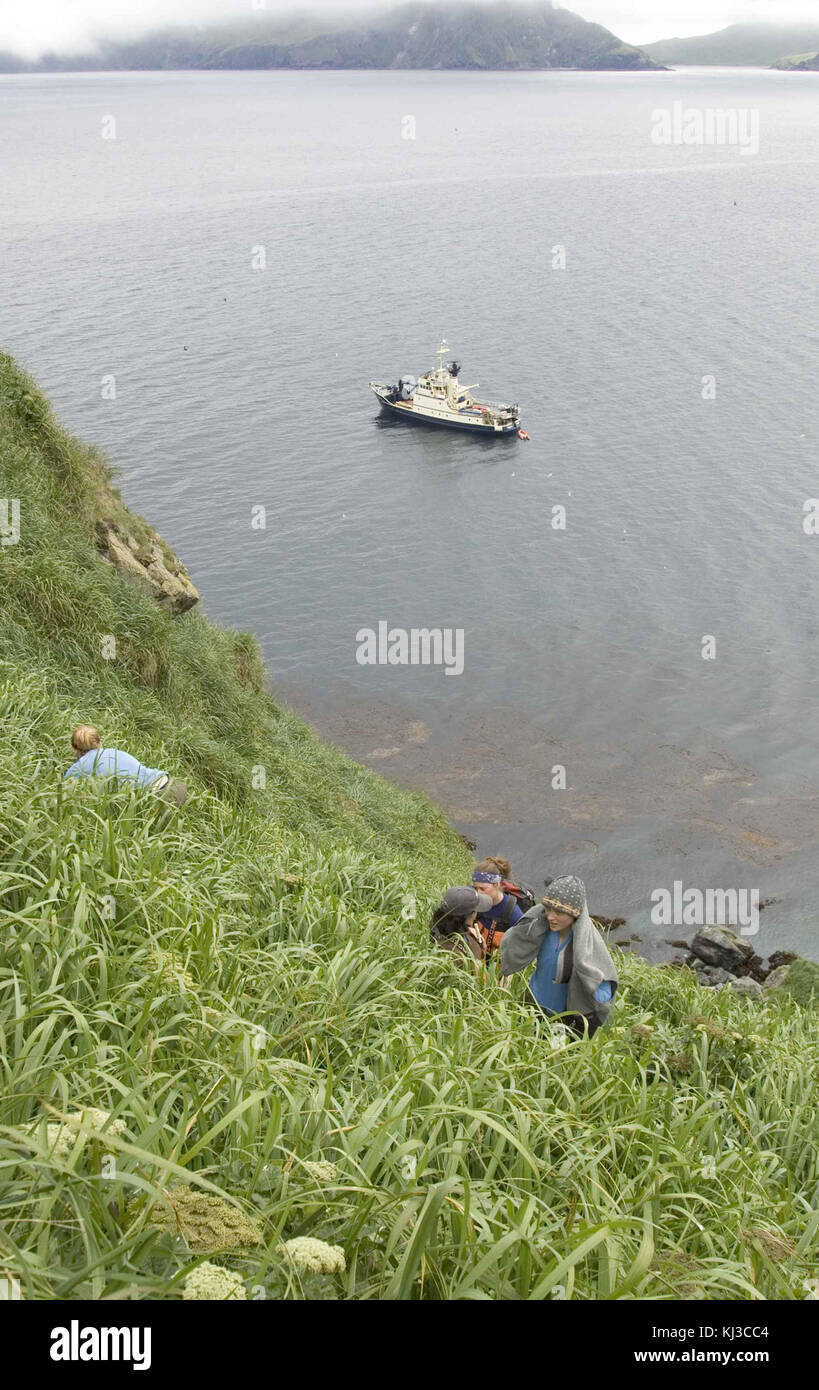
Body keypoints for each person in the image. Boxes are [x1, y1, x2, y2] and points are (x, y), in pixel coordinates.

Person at [499, 874, 618, 1038]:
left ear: (575, 914)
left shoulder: (586, 943)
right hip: (533, 1002)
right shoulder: (542, 929)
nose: (550, 917)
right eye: (548, 909)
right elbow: (518, 940)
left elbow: (605, 985)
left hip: (563, 1016)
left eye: (559, 913)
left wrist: (594, 992)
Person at [64, 726, 187, 806]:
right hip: (175, 785)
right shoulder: (115, 752)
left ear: (74, 748)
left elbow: (62, 790)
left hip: (161, 798)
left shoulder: (80, 767)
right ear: (99, 743)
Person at [472, 857, 525, 959]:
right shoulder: (470, 898)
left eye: (482, 889)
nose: (477, 893)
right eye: (475, 888)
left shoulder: (513, 913)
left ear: (496, 884)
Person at [429, 886, 493, 966]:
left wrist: (467, 928)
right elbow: (478, 975)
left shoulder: (435, 924)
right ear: (470, 916)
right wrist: (480, 950)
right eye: (475, 911)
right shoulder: (459, 956)